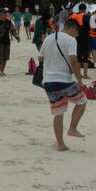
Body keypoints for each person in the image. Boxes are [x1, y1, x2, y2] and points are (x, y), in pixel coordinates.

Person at [36, 15, 88, 151]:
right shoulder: (71, 40)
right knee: (82, 100)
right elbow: (73, 60)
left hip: (48, 81)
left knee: (58, 112)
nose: (76, 35)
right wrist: (80, 81)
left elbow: (40, 58)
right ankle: (72, 129)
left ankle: (60, 145)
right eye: (77, 32)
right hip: (63, 79)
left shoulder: (48, 38)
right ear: (73, 29)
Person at [0, 10, 17, 75]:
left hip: (7, 41)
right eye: (4, 13)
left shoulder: (8, 22)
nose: (5, 14)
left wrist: (17, 37)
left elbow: (13, 30)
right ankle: (1, 71)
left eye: (6, 13)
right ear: (0, 14)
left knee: (5, 57)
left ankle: (2, 70)